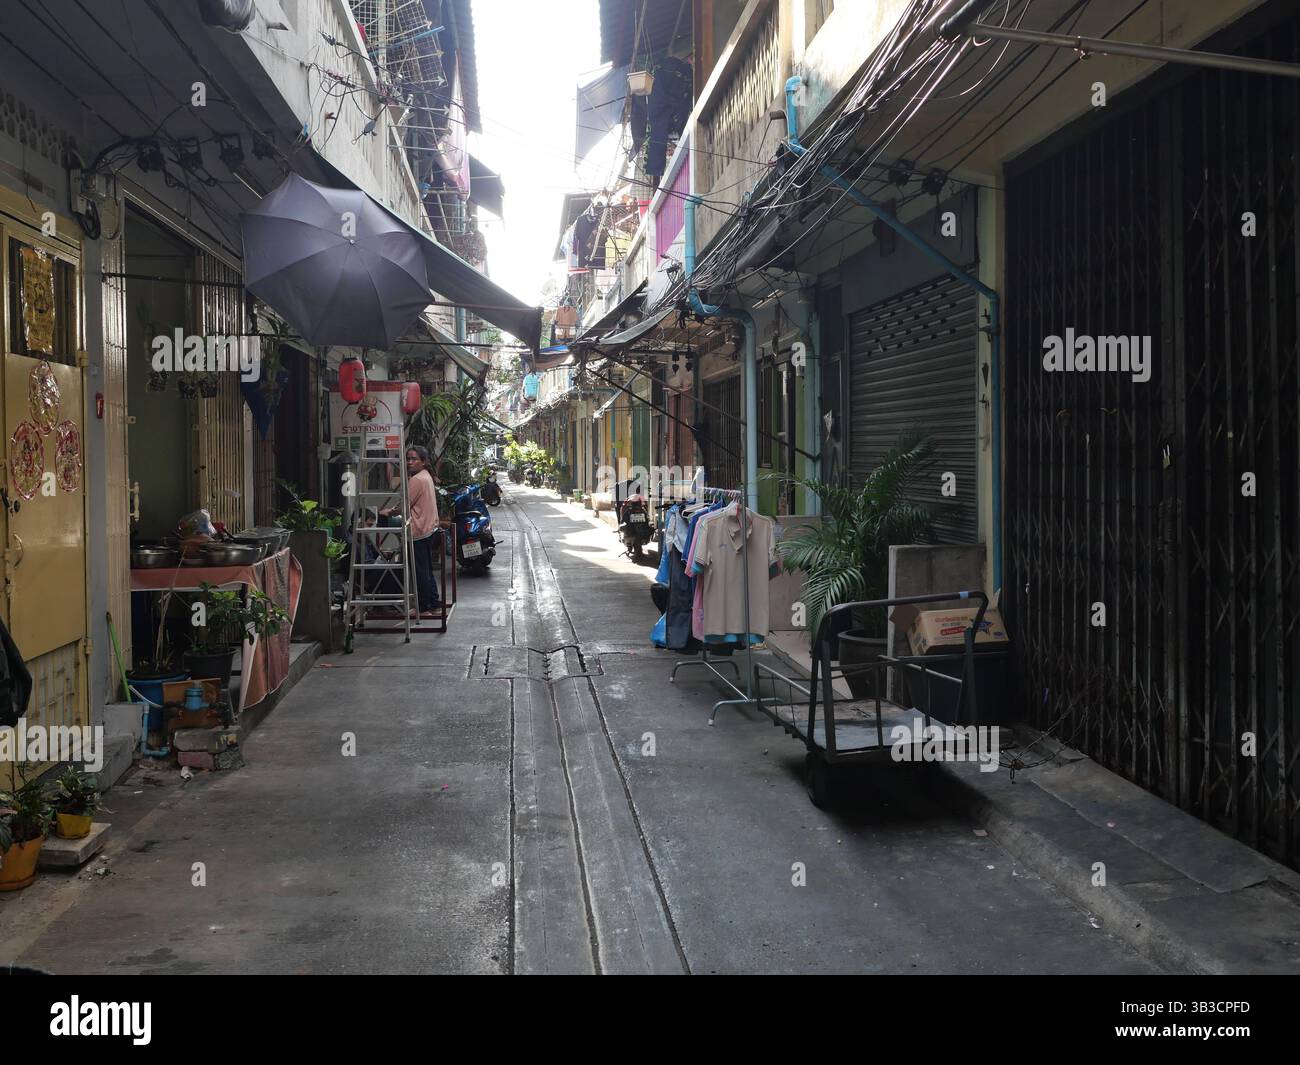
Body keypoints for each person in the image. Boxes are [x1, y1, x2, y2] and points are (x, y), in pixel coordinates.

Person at [382, 446, 440, 616]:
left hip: (419, 531)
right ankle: (433, 602)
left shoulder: (417, 480)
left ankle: (423, 608)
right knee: (426, 569)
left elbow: (405, 504)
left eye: (414, 459)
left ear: (423, 461)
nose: (409, 462)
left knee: (419, 571)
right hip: (429, 529)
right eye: (408, 459)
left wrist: (389, 512)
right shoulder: (426, 476)